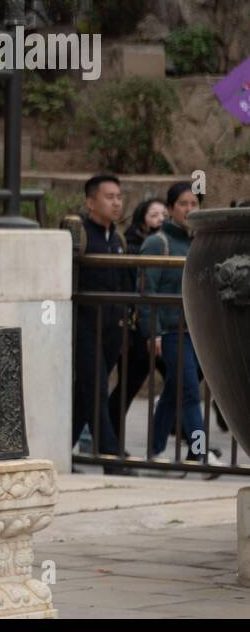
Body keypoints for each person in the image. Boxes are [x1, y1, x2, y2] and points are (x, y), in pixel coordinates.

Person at [138, 181, 220, 466]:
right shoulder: (157, 243)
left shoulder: (198, 242)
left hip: (197, 330)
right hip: (171, 331)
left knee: (175, 389)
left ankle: (154, 448)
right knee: (187, 390)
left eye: (194, 204)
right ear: (171, 208)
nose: (189, 209)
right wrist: (153, 332)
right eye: (183, 204)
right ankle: (199, 451)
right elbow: (147, 291)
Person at [70, 174, 132, 470]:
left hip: (112, 329)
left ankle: (58, 447)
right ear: (90, 202)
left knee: (86, 394)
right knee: (95, 390)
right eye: (109, 197)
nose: (116, 202)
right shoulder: (80, 234)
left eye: (119, 197)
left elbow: (124, 282)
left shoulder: (117, 239)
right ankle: (110, 457)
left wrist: (125, 318)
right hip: (85, 327)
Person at [105, 198, 168, 435]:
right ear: (142, 217)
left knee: (179, 382)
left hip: (154, 327)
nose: (160, 219)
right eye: (154, 214)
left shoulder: (164, 245)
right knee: (128, 386)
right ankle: (108, 438)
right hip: (137, 328)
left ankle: (178, 429)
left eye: (163, 214)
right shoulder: (132, 246)